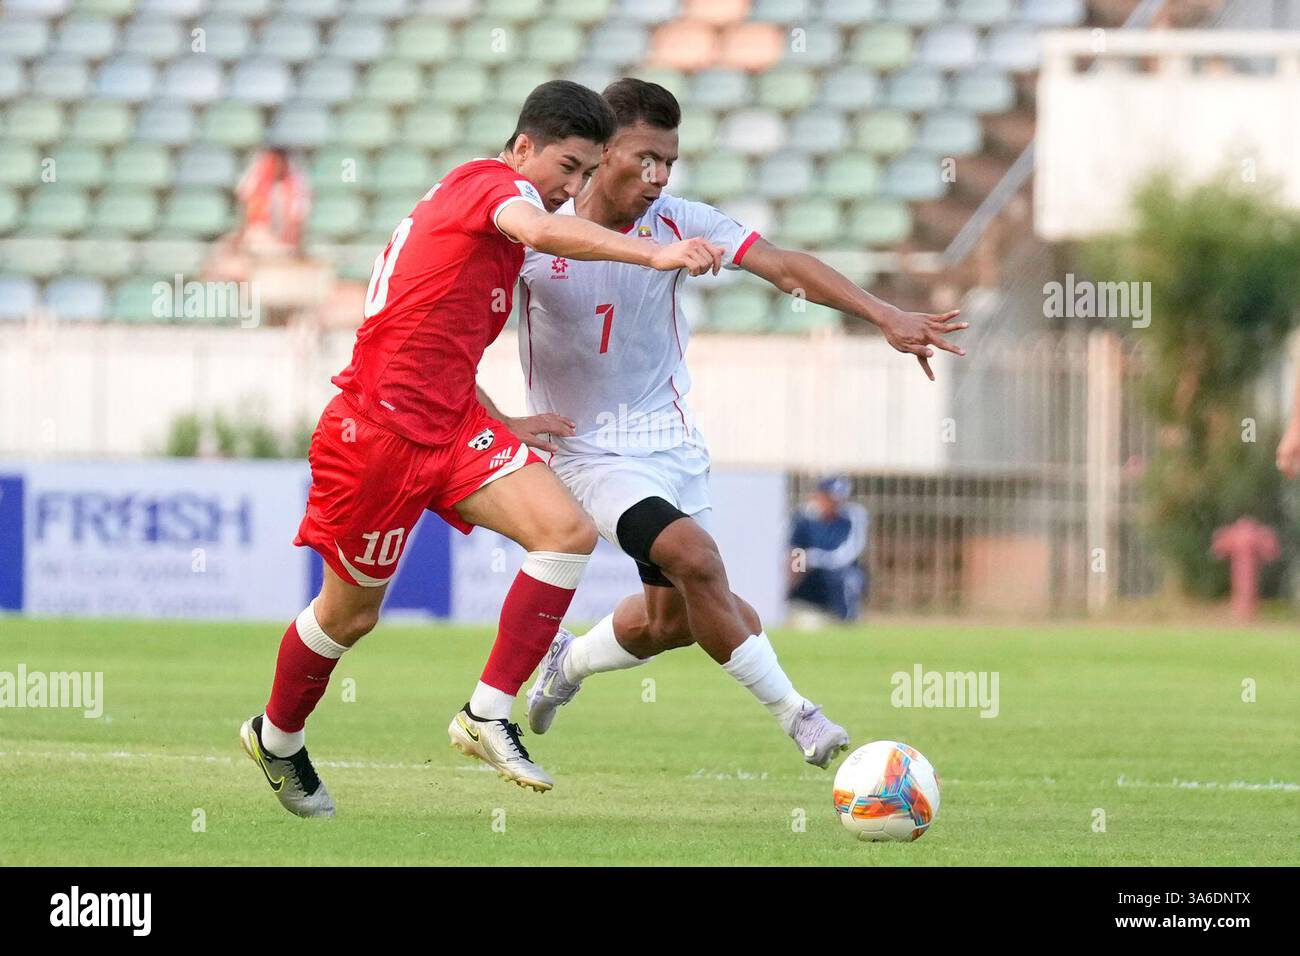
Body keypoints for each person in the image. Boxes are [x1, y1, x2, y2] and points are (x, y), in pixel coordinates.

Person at [239, 80, 726, 818]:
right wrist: (648, 255)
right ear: (524, 145)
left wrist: (505, 420)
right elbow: (536, 229)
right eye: (568, 167)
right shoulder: (489, 187)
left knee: (566, 532)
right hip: (377, 433)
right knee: (350, 617)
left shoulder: (500, 232)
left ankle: (486, 713)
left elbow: (444, 343)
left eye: (588, 174)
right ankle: (275, 739)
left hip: (454, 424)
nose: (574, 188)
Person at [512, 79, 966, 766]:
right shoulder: (535, 234)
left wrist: (884, 316)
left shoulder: (681, 220)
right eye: (644, 159)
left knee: (673, 622)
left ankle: (567, 665)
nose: (659, 177)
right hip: (585, 453)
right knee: (698, 560)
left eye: (670, 161)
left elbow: (784, 266)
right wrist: (497, 418)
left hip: (668, 444)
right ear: (602, 155)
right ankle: (799, 716)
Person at [788, 476, 869, 623]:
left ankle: (847, 622)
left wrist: (813, 558)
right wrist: (796, 567)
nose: (835, 504)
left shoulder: (854, 516)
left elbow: (849, 552)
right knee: (790, 570)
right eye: (830, 499)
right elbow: (793, 549)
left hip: (840, 574)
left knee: (849, 578)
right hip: (809, 575)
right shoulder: (803, 517)